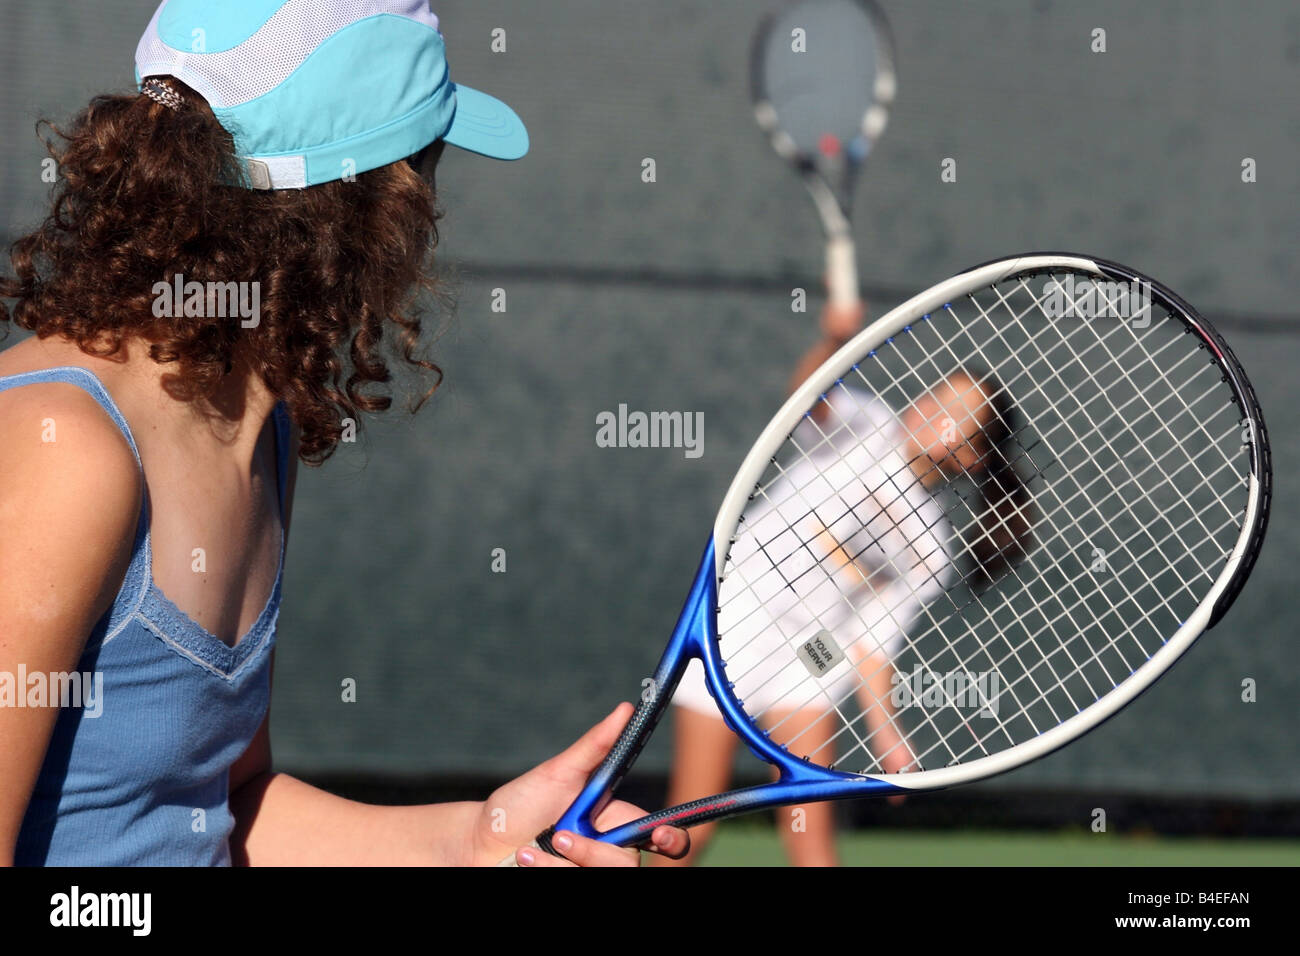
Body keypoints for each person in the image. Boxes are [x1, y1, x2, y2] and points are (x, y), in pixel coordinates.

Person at [0, 1, 687, 867]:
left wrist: (479, 840)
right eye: (429, 167)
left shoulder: (262, 431)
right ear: (372, 204)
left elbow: (223, 809)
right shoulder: (65, 452)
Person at [660, 298, 1034, 866]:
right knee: (694, 823)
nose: (933, 408)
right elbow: (808, 397)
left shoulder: (930, 550)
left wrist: (888, 737)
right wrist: (833, 342)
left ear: (973, 456)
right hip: (738, 614)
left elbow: (869, 641)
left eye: (957, 412)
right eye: (938, 394)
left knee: (810, 838)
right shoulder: (867, 424)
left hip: (814, 646)